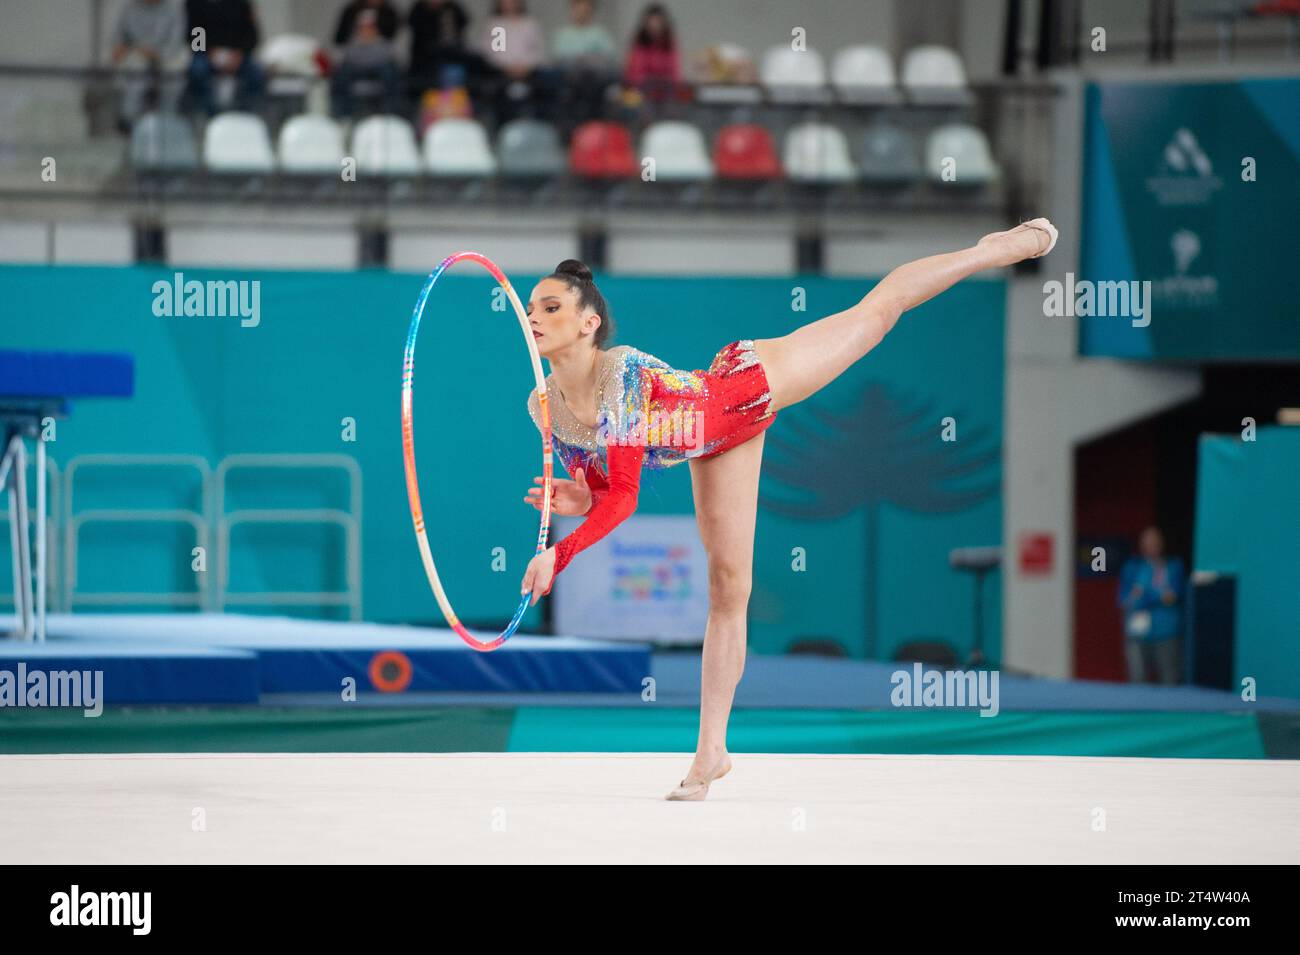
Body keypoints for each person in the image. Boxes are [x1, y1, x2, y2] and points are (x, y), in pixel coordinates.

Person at [519, 219, 1059, 800]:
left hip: (744, 388)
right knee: (729, 588)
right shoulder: (543, 406)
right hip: (708, 446)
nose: (534, 317)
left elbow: (625, 499)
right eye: (531, 308)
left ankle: (988, 252)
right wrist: (581, 498)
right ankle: (711, 752)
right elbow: (607, 486)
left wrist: (561, 552)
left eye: (550, 307)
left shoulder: (618, 371)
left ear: (588, 323)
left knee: (877, 313)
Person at [1117, 526, 1186, 686]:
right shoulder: (1132, 567)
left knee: (1169, 677)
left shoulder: (1173, 566)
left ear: (1161, 544)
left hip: (1166, 631)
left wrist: (1143, 595)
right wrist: (1158, 595)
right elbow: (1126, 600)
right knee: (1137, 677)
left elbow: (1173, 596)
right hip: (1137, 630)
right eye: (1148, 541)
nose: (1152, 545)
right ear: (1142, 544)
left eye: (1155, 541)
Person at [476, 0, 555, 124]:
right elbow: (494, 53)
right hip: (502, 73)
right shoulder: (497, 25)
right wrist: (509, 67)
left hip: (529, 72)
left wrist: (526, 66)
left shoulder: (529, 23)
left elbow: (539, 51)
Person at [111, 0, 185, 127]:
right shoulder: (129, 9)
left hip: (165, 54)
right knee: (135, 65)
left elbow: (176, 41)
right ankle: (130, 117)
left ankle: (168, 115)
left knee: (175, 66)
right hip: (136, 53)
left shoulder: (173, 9)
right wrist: (128, 49)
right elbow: (118, 39)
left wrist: (155, 54)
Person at [184, 0, 264, 115]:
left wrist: (239, 55)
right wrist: (209, 53)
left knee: (257, 73)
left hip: (237, 54)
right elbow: (193, 34)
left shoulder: (242, 3)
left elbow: (252, 36)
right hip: (206, 53)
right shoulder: (195, 3)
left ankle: (245, 114)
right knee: (197, 70)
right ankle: (210, 114)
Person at [330, 0, 401, 117]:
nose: (366, 30)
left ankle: (391, 112)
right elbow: (345, 54)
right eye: (363, 27)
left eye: (370, 27)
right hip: (356, 68)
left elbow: (389, 55)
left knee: (391, 72)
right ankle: (343, 114)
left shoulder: (383, 42)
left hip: (379, 68)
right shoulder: (353, 41)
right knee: (341, 74)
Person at [552, 0, 618, 124]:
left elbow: (609, 58)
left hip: (596, 81)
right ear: (572, 10)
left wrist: (586, 60)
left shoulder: (600, 33)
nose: (581, 13)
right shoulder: (563, 34)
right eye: (578, 9)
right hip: (571, 80)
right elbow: (559, 59)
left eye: (585, 10)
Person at [623, 3, 679, 103]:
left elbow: (674, 73)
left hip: (664, 89)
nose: (654, 24)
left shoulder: (669, 44)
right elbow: (635, 74)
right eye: (652, 21)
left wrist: (665, 83)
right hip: (643, 89)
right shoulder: (639, 43)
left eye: (658, 21)